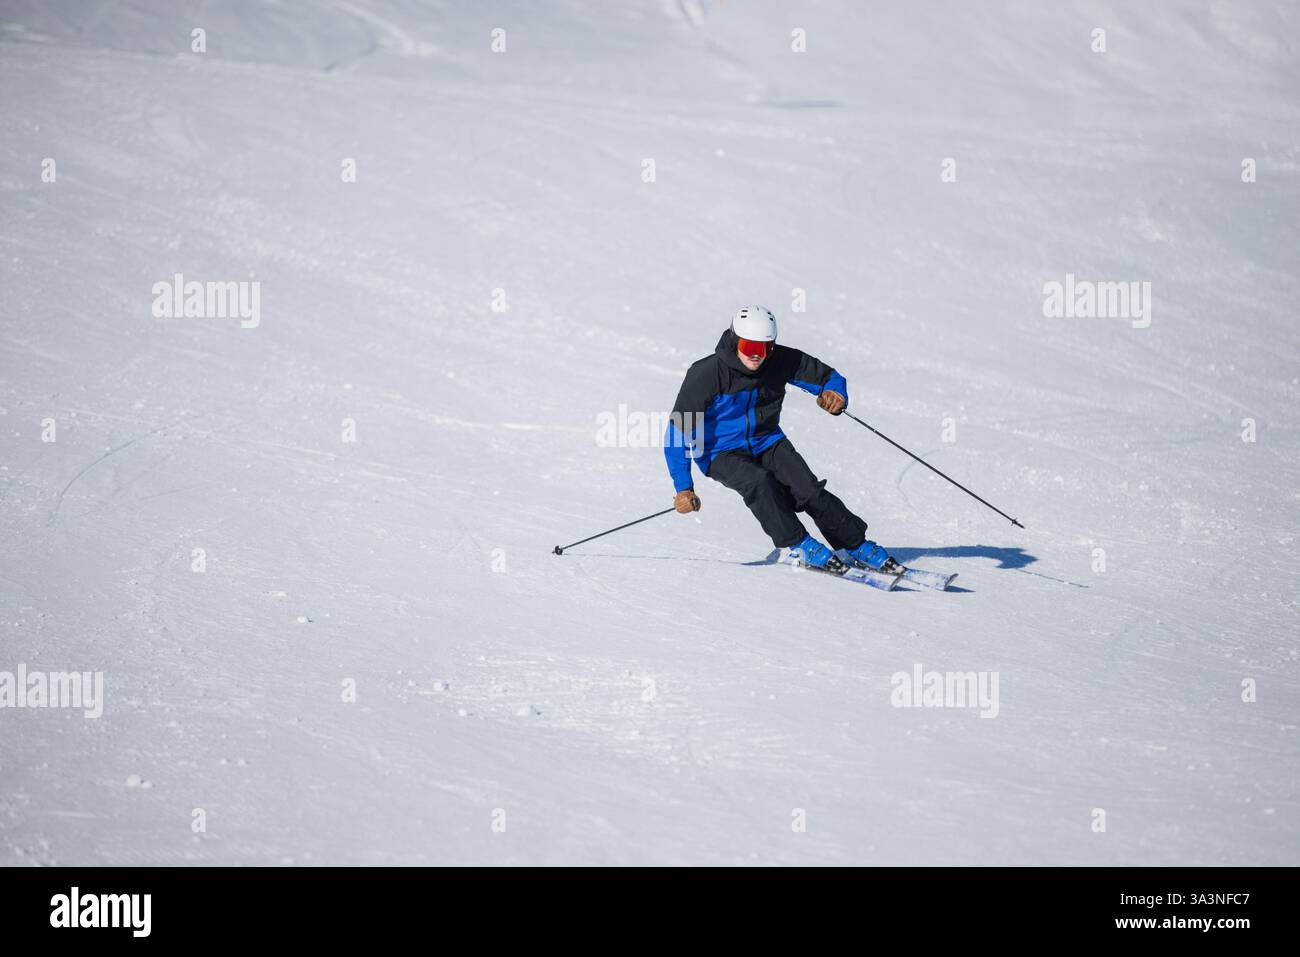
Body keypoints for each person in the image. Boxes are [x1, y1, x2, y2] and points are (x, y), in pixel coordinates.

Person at [663, 306, 896, 572]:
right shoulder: (706, 374)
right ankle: (798, 544)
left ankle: (856, 545)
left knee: (808, 490)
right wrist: (684, 487)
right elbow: (677, 432)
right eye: (748, 345)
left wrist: (835, 394)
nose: (755, 354)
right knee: (759, 482)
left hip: (766, 439)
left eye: (763, 348)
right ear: (734, 339)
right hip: (718, 450)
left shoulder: (781, 361)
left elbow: (828, 378)